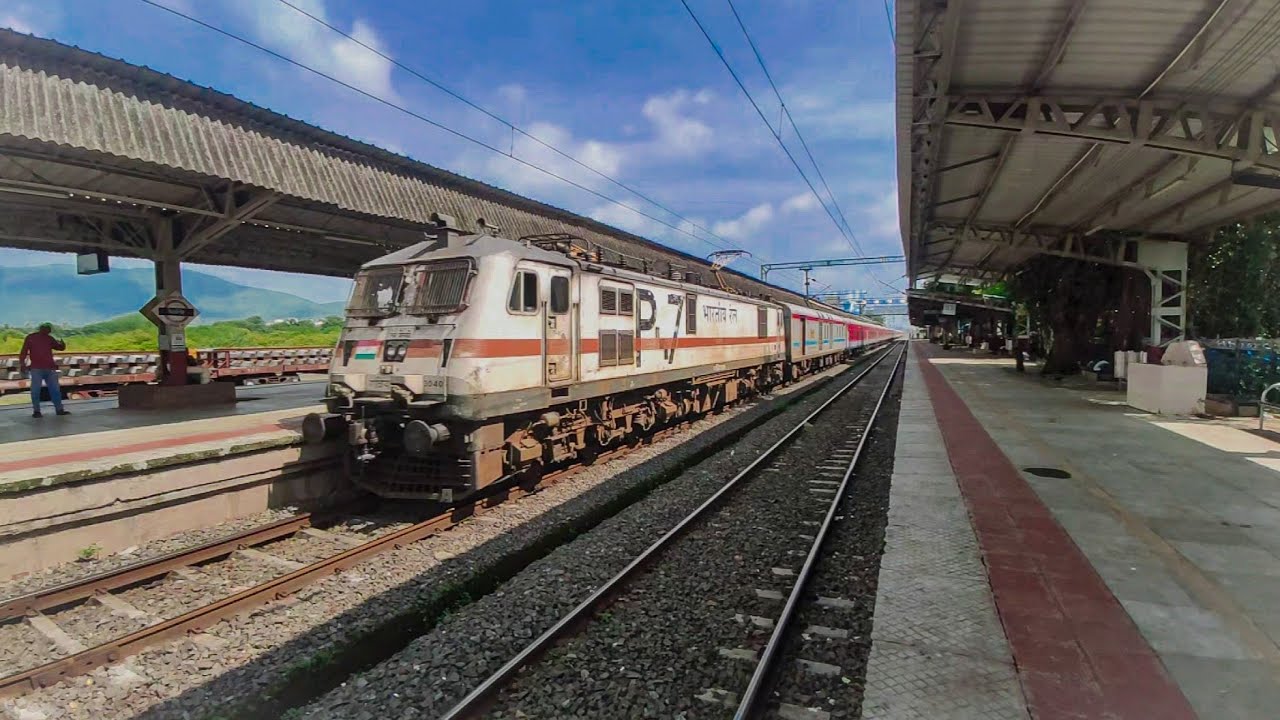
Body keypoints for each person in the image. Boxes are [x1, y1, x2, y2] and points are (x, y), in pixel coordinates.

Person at [19, 323, 70, 418]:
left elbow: (60, 348)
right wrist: (22, 364)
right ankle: (41, 411)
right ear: (43, 329)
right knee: (41, 390)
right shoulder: (33, 338)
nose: (48, 331)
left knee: (50, 390)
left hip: (45, 368)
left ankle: (54, 410)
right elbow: (24, 351)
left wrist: (62, 344)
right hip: (40, 368)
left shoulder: (45, 338)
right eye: (47, 329)